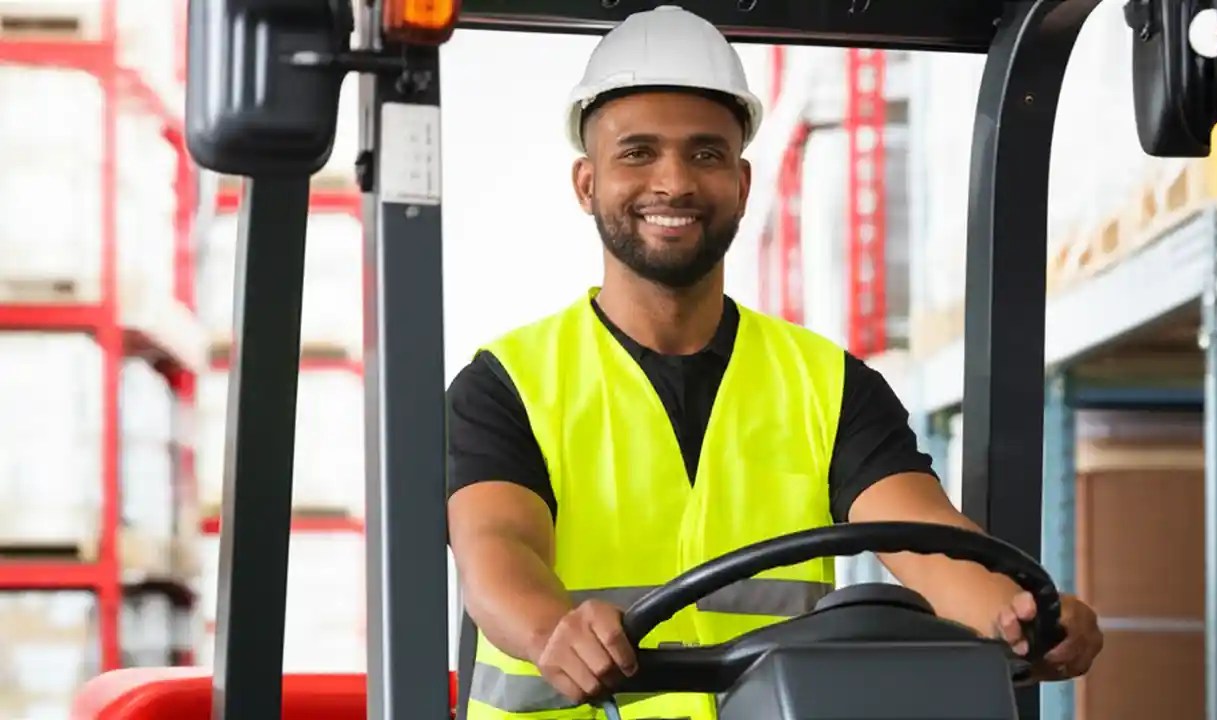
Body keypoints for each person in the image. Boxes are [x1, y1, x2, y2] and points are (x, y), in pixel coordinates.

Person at [445, 5, 1104, 719]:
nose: (674, 183)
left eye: (705, 154)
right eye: (637, 152)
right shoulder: (507, 384)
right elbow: (498, 551)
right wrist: (554, 632)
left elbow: (928, 543)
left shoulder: (826, 384)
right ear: (586, 184)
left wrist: (1020, 614)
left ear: (742, 182)